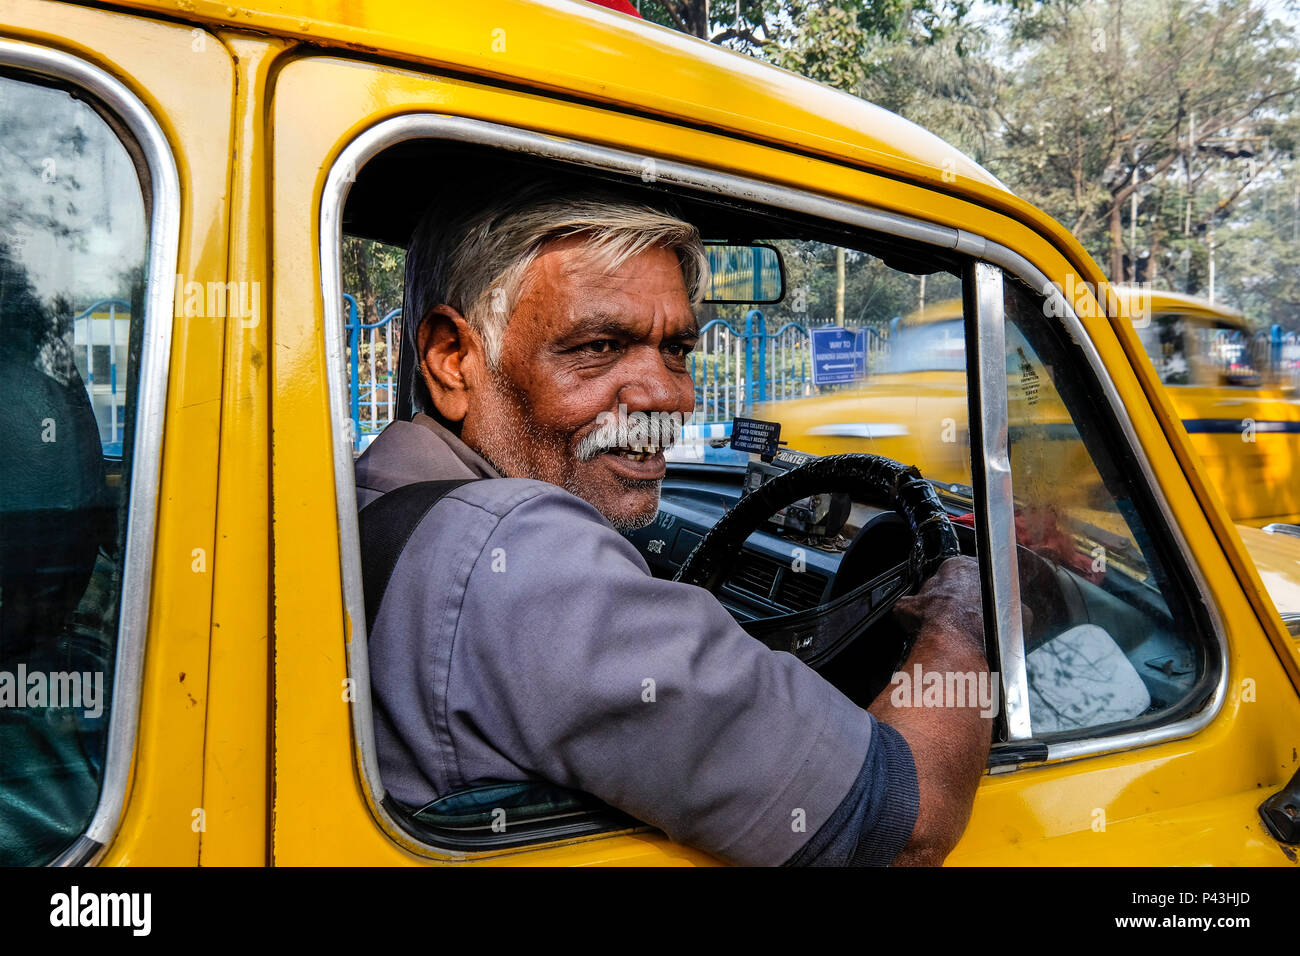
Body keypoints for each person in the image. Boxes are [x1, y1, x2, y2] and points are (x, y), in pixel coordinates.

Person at [355, 182, 991, 865]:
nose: (671, 396)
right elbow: (907, 824)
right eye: (598, 346)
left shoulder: (378, 491)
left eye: (679, 350)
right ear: (455, 359)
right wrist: (959, 622)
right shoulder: (526, 554)